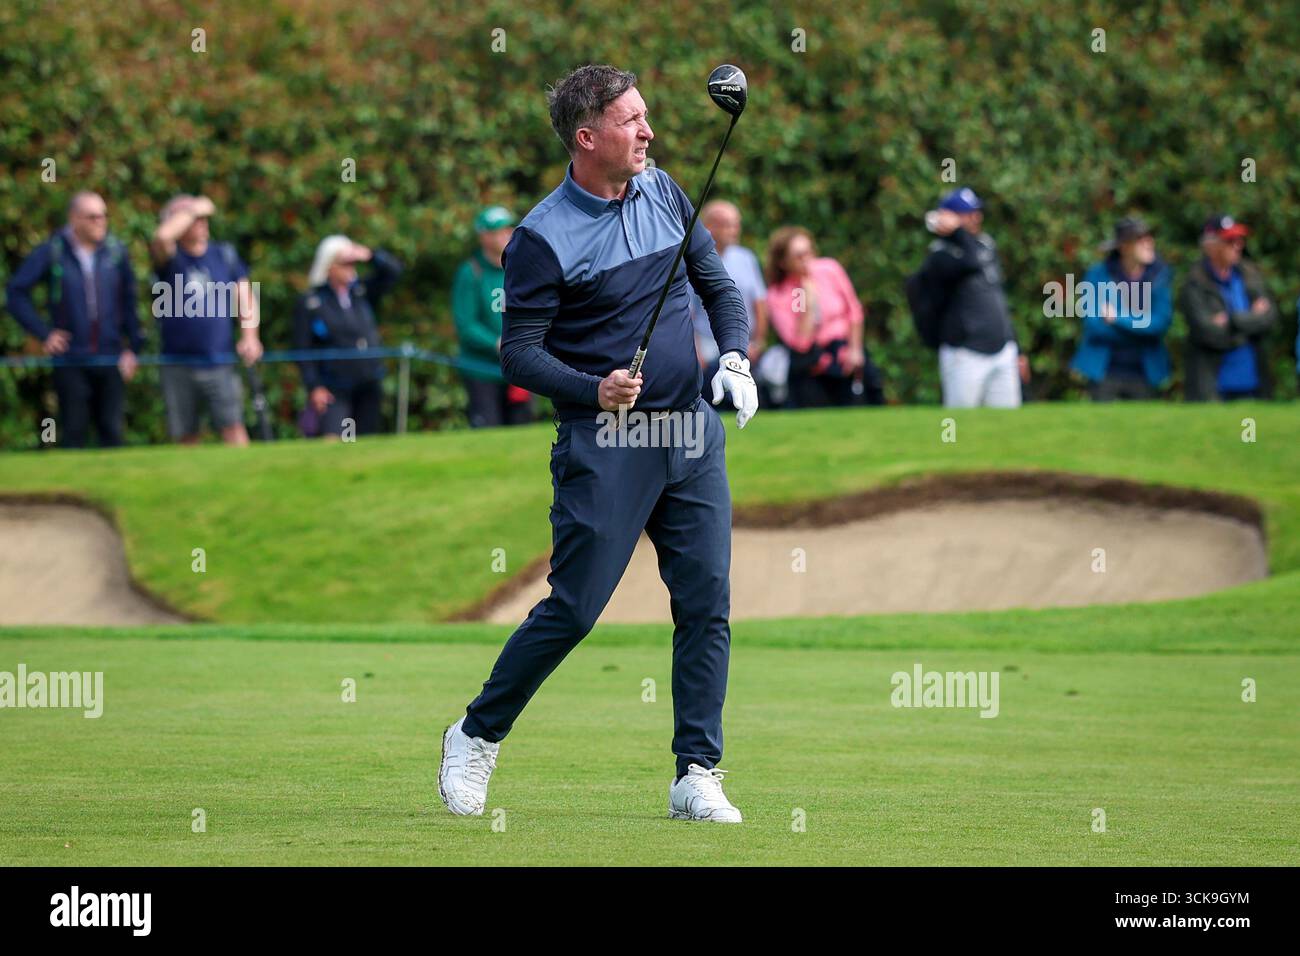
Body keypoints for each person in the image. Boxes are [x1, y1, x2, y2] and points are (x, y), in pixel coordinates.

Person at [438, 64, 757, 823]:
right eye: (631, 121)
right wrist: (594, 388)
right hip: (606, 437)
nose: (648, 131)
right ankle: (475, 733)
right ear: (588, 138)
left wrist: (736, 354)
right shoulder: (541, 238)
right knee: (576, 607)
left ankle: (696, 772)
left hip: (690, 433)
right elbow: (518, 352)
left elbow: (717, 287)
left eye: (646, 117)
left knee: (706, 603)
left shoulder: (667, 190)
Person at [6, 191, 141, 448]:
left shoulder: (115, 252)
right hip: (70, 357)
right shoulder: (53, 251)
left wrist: (133, 348)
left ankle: (109, 487)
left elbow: (129, 302)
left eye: (103, 216)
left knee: (112, 432)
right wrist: (44, 333)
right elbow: (15, 293)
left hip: (110, 355)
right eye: (92, 217)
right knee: (74, 431)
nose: (100, 222)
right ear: (74, 219)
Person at [149, 194, 262, 445]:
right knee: (186, 435)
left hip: (219, 360)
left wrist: (250, 337)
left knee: (233, 427)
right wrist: (193, 208)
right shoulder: (170, 258)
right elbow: (162, 237)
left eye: (202, 218)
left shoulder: (224, 254)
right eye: (191, 218)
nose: (200, 222)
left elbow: (245, 298)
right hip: (178, 362)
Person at [916, 187, 1028, 407]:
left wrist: (1017, 348)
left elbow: (998, 300)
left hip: (1002, 351)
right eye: (967, 213)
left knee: (1006, 428)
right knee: (963, 427)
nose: (976, 217)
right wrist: (956, 232)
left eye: (977, 211)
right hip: (965, 355)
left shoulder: (984, 245)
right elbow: (969, 263)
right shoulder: (939, 254)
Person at [293, 236, 402, 438]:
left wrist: (369, 255)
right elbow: (303, 349)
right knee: (342, 439)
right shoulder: (312, 301)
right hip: (336, 388)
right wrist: (314, 386)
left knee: (364, 442)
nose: (351, 268)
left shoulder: (361, 292)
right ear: (329, 266)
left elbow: (393, 272)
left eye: (353, 263)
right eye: (345, 263)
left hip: (368, 383)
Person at [764, 226, 882, 407]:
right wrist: (807, 299)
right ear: (783, 262)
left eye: (808, 253)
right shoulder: (782, 293)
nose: (806, 260)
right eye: (798, 256)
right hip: (812, 363)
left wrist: (854, 348)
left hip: (844, 352)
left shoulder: (829, 269)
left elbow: (853, 310)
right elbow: (801, 342)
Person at [1177, 214, 1278, 401]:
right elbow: (1207, 333)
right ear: (1210, 246)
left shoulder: (1249, 274)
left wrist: (1232, 321)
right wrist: (1251, 320)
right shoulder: (1194, 282)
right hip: (1213, 385)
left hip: (1253, 381)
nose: (1238, 245)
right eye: (1230, 240)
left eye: (1239, 240)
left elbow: (1269, 319)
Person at [1070, 216, 1173, 400]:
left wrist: (1118, 319)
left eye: (1149, 237)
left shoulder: (1159, 276)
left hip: (1146, 372)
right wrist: (1141, 328)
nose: (1149, 243)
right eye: (1141, 239)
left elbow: (1159, 325)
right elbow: (1094, 326)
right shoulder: (1098, 275)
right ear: (1124, 247)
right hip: (1104, 371)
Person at [452, 206, 534, 427]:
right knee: (488, 430)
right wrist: (496, 342)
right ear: (484, 237)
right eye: (499, 230)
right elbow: (466, 325)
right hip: (483, 371)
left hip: (519, 368)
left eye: (509, 228)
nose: (507, 234)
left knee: (521, 432)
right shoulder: (471, 272)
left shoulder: (521, 268)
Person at [688, 200, 770, 396]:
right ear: (708, 226)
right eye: (727, 224)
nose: (734, 230)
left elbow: (759, 303)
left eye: (736, 224)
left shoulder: (746, 258)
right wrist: (694, 350)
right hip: (706, 343)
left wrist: (758, 342)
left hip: (744, 342)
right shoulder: (693, 258)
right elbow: (687, 310)